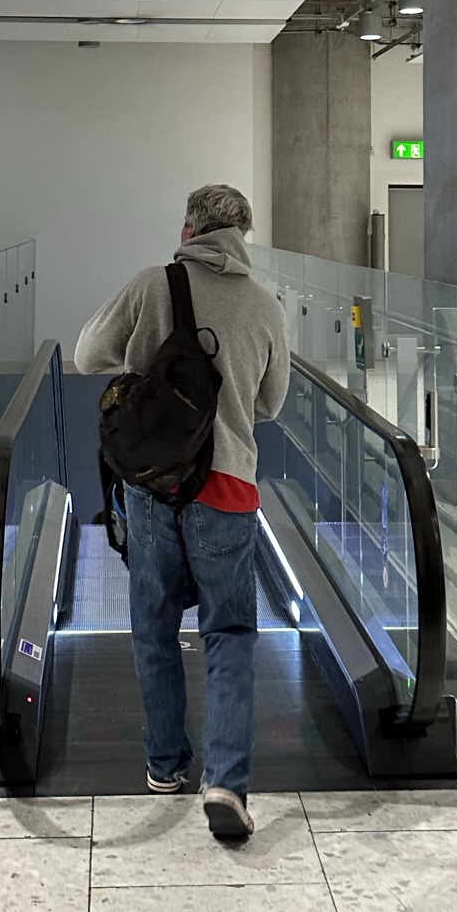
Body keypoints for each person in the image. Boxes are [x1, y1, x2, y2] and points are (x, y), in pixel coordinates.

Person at [75, 183, 290, 841]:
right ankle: (225, 782)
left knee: (154, 622)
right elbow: (272, 404)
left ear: (189, 230)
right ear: (243, 235)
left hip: (151, 485)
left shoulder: (151, 285)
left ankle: (165, 765)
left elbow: (87, 354)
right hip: (226, 487)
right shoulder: (263, 305)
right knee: (228, 632)